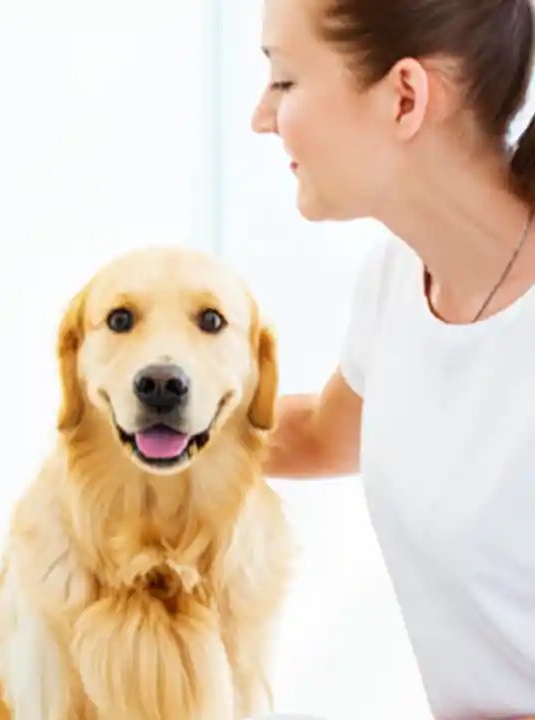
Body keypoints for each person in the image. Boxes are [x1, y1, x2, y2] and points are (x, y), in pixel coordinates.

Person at [252, 0, 535, 717]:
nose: (260, 117)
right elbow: (322, 430)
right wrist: (140, 427)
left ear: (405, 97)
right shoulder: (397, 280)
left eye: (285, 82)